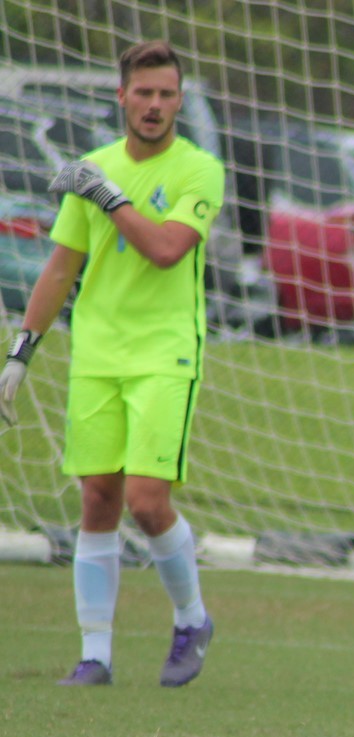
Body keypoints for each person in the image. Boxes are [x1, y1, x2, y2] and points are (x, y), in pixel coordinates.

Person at [0, 40, 223, 687]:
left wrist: (108, 194)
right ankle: (94, 654)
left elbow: (164, 250)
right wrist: (21, 353)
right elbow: (61, 265)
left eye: (166, 94)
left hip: (165, 351)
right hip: (97, 351)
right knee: (98, 497)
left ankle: (192, 618)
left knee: (149, 503)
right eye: (144, 93)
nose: (155, 106)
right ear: (121, 97)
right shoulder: (92, 166)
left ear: (179, 100)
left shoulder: (198, 170)